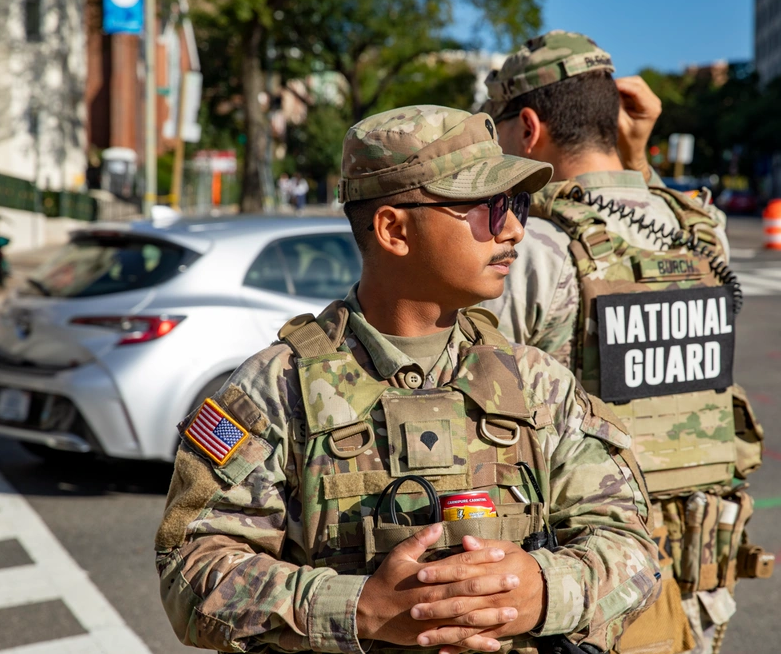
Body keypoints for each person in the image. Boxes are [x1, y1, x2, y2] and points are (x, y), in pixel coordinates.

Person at [155, 104, 661, 654]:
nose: (514, 228)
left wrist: (542, 590)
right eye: (485, 208)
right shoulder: (273, 389)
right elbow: (190, 569)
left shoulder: (539, 384)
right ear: (394, 229)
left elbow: (631, 548)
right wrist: (356, 609)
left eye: (513, 204)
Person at [480, 32, 769, 654]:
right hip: (702, 563)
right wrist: (636, 156)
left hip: (590, 580)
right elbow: (639, 210)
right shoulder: (700, 230)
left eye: (497, 129)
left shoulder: (530, 249)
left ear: (527, 127)